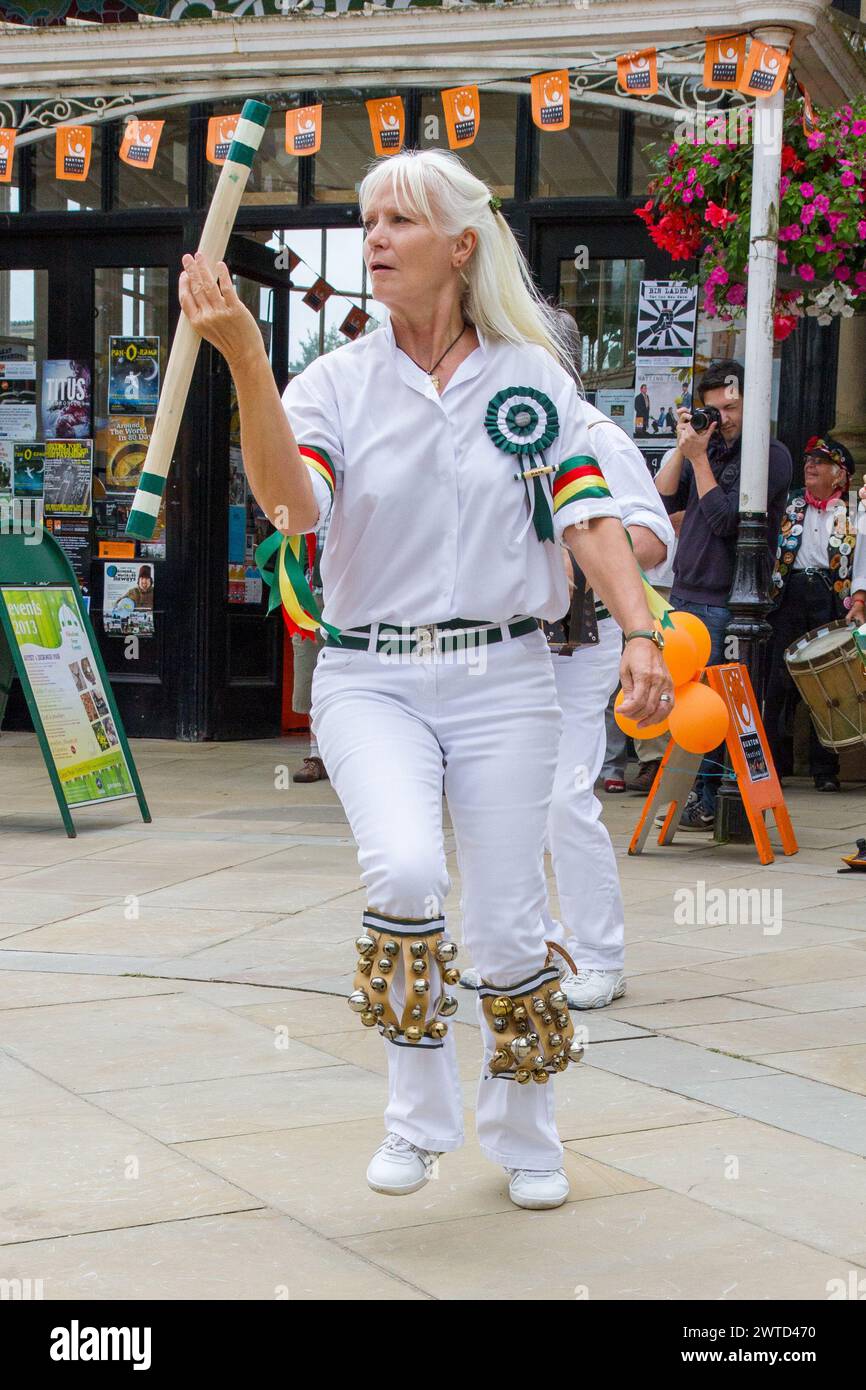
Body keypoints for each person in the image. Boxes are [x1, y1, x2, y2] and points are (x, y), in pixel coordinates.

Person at [176, 148, 670, 1211]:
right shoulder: (334, 383)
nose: (377, 239)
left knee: (500, 920)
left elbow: (585, 515)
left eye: (400, 220)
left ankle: (526, 1131)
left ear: (460, 245)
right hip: (369, 675)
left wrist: (637, 632)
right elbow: (292, 508)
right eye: (368, 222)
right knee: (401, 872)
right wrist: (247, 364)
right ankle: (415, 1119)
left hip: (506, 673)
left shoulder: (531, 375)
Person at [654, 358, 792, 828]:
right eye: (713, 409)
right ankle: (693, 795)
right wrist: (683, 447)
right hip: (686, 589)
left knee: (721, 705)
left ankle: (713, 797)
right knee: (686, 699)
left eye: (730, 408)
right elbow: (661, 499)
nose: (723, 418)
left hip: (726, 597)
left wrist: (698, 459)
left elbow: (727, 522)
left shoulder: (770, 455)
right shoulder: (706, 449)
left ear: (752, 403)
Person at [765, 436, 866, 791]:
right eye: (808, 460)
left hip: (830, 597)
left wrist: (859, 600)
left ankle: (825, 771)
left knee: (830, 685)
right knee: (779, 681)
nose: (810, 466)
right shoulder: (791, 506)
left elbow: (864, 559)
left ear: (840, 475)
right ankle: (774, 765)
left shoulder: (855, 510)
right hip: (790, 596)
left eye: (820, 462)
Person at [291, 510, 331, 783]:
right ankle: (316, 756)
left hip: (360, 602)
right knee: (310, 675)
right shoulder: (316, 493)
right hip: (314, 598)